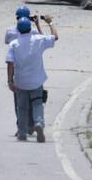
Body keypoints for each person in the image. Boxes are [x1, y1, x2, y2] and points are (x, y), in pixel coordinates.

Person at [5, 14, 57, 142]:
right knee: (37, 104)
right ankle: (38, 123)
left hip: (21, 81)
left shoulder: (14, 44)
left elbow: (10, 64)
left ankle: (22, 131)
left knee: (22, 107)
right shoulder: (38, 40)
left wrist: (10, 80)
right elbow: (55, 37)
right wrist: (49, 23)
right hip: (36, 81)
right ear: (30, 28)